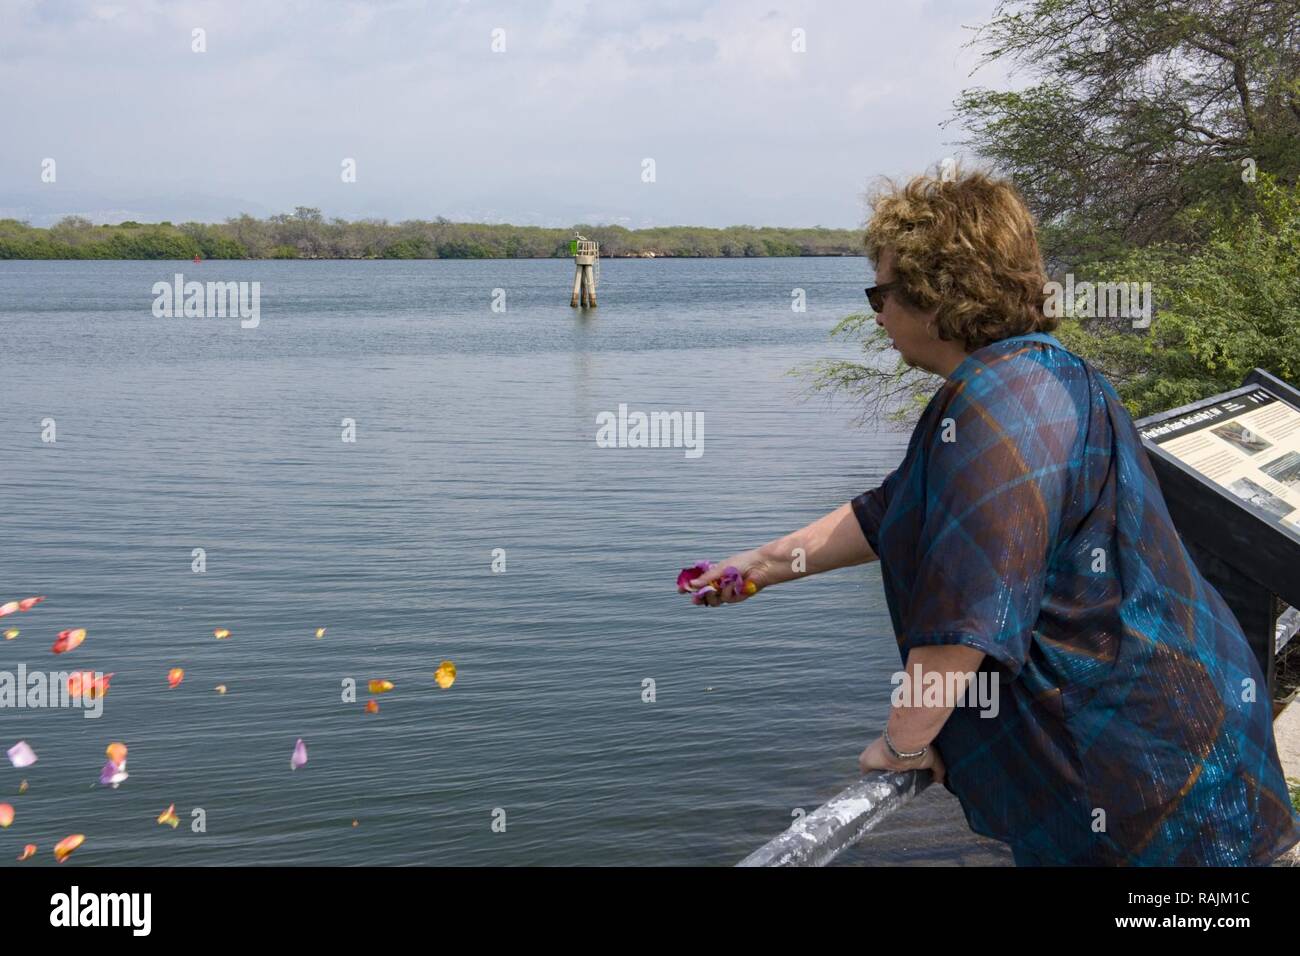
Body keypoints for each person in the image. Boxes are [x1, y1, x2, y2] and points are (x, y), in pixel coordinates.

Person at [683, 168, 1300, 865]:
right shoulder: (1041, 374)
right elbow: (890, 512)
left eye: (881, 291)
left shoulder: (1002, 404)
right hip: (1179, 744)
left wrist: (905, 742)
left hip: (1151, 783)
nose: (875, 312)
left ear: (939, 292)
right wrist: (758, 567)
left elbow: (969, 610)